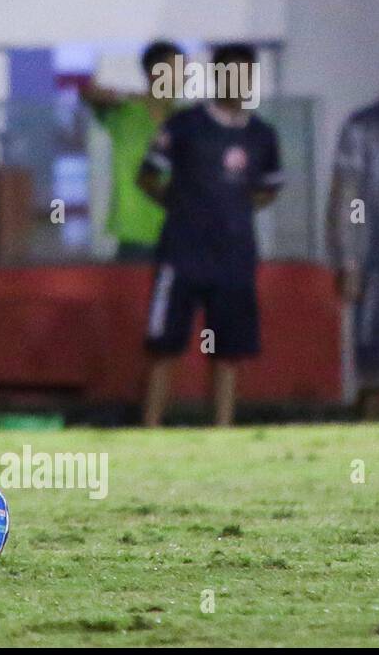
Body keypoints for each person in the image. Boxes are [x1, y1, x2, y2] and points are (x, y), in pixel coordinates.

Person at [138, 43, 282, 427]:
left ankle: (222, 430)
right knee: (164, 345)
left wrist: (234, 208)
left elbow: (269, 187)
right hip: (181, 252)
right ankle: (149, 430)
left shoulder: (262, 135)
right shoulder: (185, 126)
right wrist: (183, 206)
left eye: (245, 74)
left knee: (228, 349)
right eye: (230, 72)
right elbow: (147, 176)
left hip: (235, 255)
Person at [326, 33, 379, 421]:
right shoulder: (364, 126)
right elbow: (346, 197)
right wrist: (348, 259)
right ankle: (361, 456)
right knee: (375, 368)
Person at [81, 40, 179, 261]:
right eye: (178, 69)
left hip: (180, 228)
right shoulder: (126, 112)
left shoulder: (184, 118)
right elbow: (88, 93)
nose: (184, 76)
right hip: (135, 230)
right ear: (156, 72)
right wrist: (128, 96)